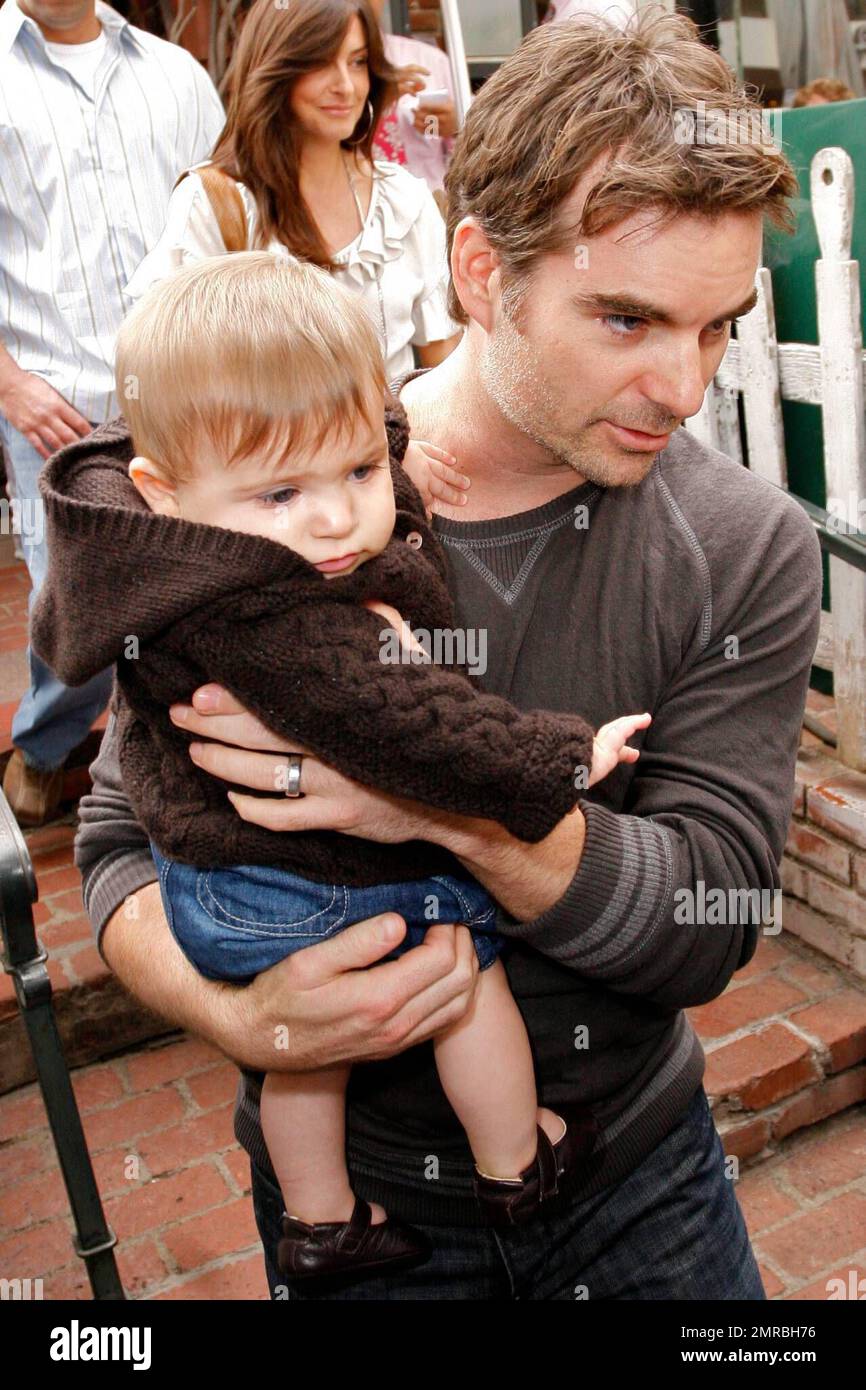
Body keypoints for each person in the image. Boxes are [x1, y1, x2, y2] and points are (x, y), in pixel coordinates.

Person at [74, 11, 822, 1300]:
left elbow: (711, 910)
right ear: (479, 272)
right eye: (628, 320)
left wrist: (428, 805)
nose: (685, 387)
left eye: (715, 328)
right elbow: (113, 846)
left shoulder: (746, 544)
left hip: (636, 1177)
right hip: (357, 1199)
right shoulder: (274, 500)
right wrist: (241, 1019)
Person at [34, 251, 648, 1283]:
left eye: (359, 470)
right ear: (165, 486)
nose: (333, 519)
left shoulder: (153, 555)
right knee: (467, 968)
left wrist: (391, 467)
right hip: (293, 885)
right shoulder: (280, 618)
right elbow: (426, 729)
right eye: (282, 491)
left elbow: (321, 449)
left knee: (302, 1053)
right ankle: (517, 1159)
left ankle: (319, 1220)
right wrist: (561, 760)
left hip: (215, 882)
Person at [0, 0, 223, 825]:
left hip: (184, 391)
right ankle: (47, 748)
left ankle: (169, 762)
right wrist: (10, 386)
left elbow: (230, 204)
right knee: (76, 601)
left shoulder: (175, 76)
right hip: (51, 402)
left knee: (195, 583)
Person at [125, 0, 462, 385]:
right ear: (278, 69)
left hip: (399, 442)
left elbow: (443, 365)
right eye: (320, 63)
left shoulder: (403, 200)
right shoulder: (216, 203)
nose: (345, 86)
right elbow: (158, 367)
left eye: (357, 62)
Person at [369, 0, 459, 196]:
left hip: (430, 205)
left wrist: (453, 127)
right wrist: (376, 102)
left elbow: (436, 135)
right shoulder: (315, 66)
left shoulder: (428, 60)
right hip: (358, 208)